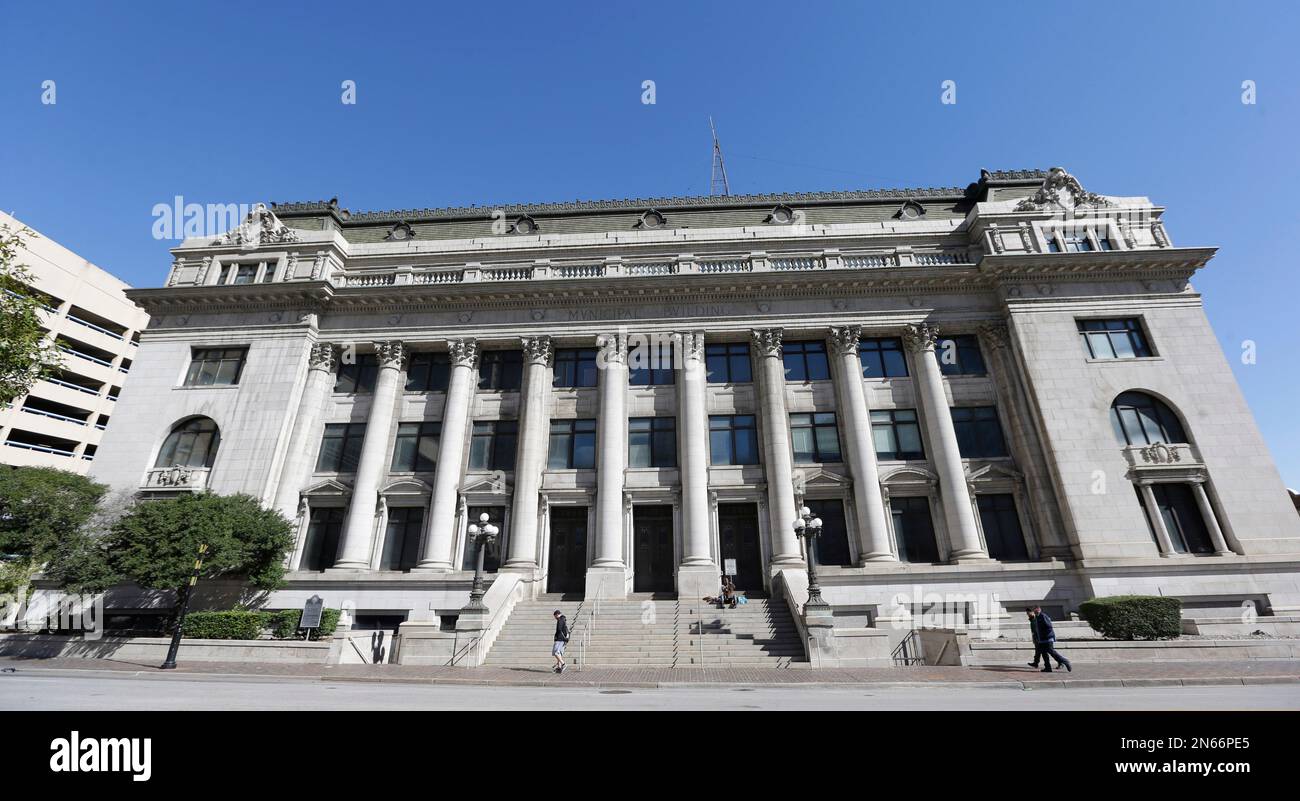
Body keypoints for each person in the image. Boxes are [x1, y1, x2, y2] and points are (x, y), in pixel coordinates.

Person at [1028, 605, 1071, 673]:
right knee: (1044, 653)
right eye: (1034, 610)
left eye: (1035, 610)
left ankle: (1064, 661)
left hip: (1047, 639)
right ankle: (1048, 668)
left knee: (1051, 652)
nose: (1034, 611)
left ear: (1039, 609)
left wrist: (1044, 634)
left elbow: (1049, 626)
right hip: (1041, 639)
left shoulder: (1043, 616)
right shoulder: (1037, 617)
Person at [551, 609, 569, 674]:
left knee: (556, 652)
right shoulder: (563, 619)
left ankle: (563, 664)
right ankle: (559, 668)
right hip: (562, 639)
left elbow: (559, 630)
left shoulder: (560, 620)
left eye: (555, 616)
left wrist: (557, 637)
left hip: (560, 639)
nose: (555, 618)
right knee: (558, 653)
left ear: (557, 615)